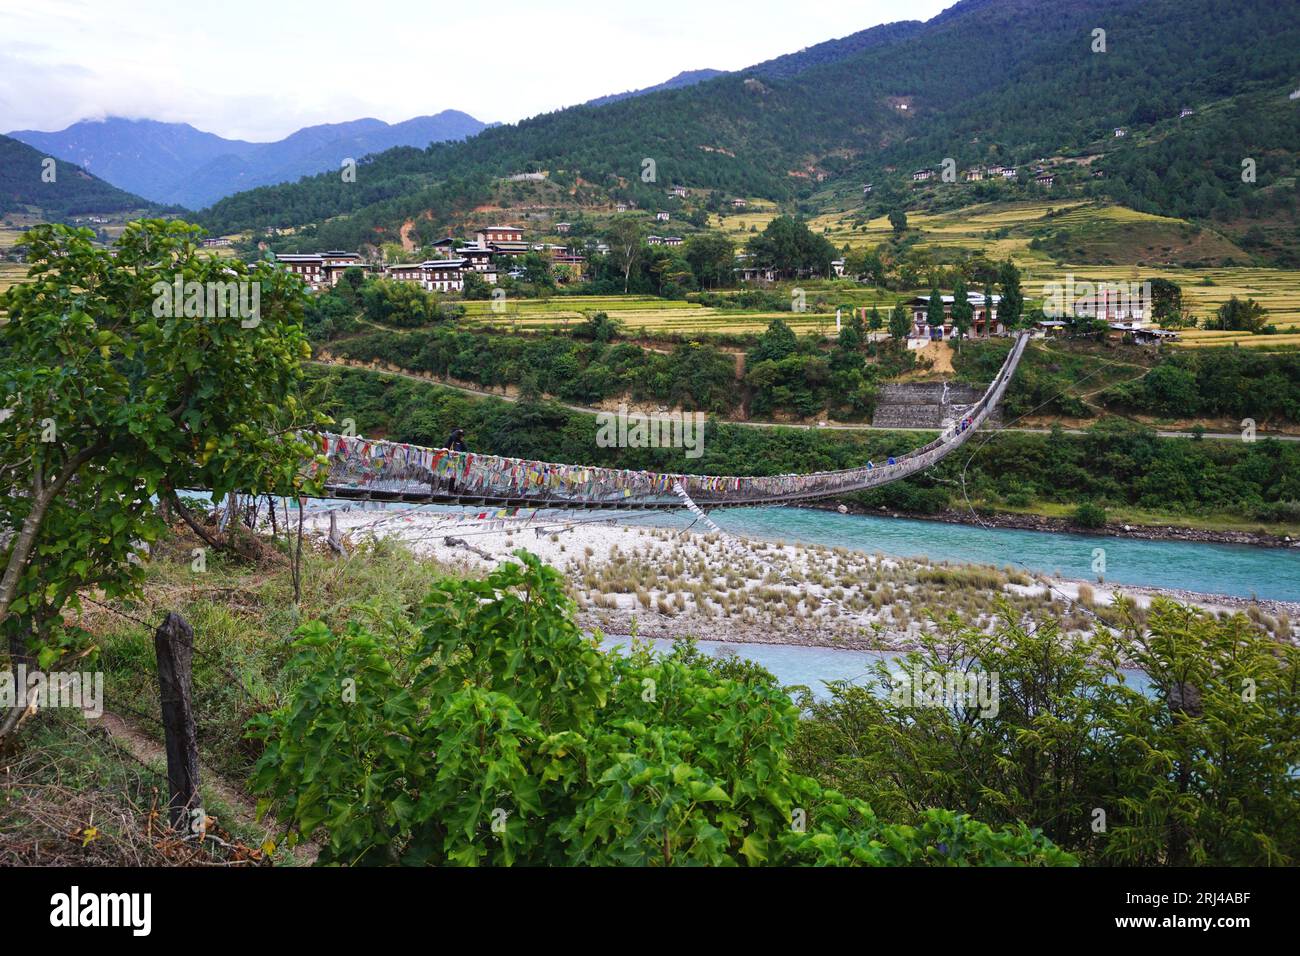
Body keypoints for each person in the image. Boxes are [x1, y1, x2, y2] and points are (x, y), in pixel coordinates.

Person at [442, 427, 466, 494]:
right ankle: (450, 491)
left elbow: (465, 450)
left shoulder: (461, 443)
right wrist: (458, 431)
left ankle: (455, 491)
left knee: (457, 477)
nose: (462, 437)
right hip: (450, 461)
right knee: (451, 476)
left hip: (458, 462)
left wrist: (461, 440)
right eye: (461, 435)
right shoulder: (451, 441)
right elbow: (452, 436)